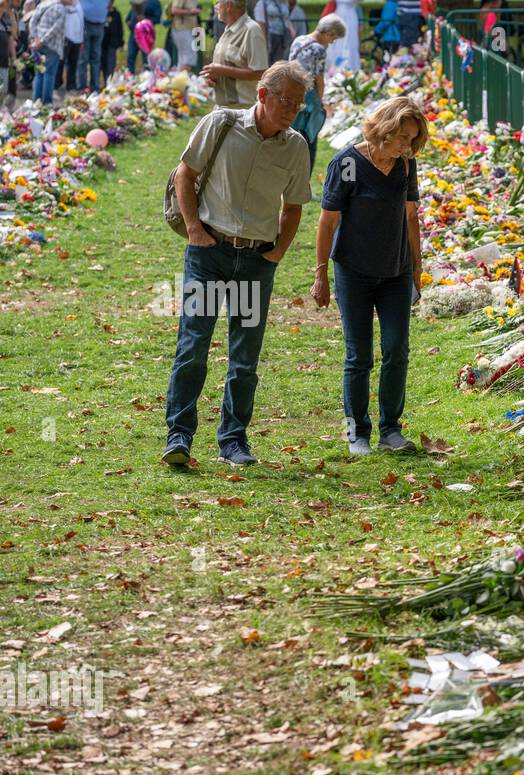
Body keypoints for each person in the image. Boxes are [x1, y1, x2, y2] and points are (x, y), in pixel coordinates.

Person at [163, 60, 313, 469]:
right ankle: (179, 435)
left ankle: (233, 440)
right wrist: (195, 229)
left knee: (244, 359)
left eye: (298, 105)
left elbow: (294, 206)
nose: (292, 110)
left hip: (255, 260)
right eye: (286, 101)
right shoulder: (221, 123)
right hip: (209, 252)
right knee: (193, 347)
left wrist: (275, 254)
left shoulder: (296, 146)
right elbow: (185, 173)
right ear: (262, 95)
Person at [313, 96, 427, 456]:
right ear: (385, 129)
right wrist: (320, 275)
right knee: (358, 355)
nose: (407, 146)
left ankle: (390, 429)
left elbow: (411, 217)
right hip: (354, 271)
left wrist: (416, 270)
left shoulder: (406, 165)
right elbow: (327, 221)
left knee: (397, 349)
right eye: (403, 137)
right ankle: (356, 431)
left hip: (395, 271)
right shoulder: (346, 164)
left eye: (412, 139)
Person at [288, 12, 344, 172]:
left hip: (292, 92)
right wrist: (320, 102)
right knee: (309, 138)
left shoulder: (299, 40)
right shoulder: (319, 49)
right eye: (333, 38)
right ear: (328, 33)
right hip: (309, 96)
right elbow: (319, 79)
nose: (332, 42)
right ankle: (304, 177)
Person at [201, 0, 265, 108]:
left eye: (218, 2)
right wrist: (213, 77)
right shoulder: (228, 30)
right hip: (223, 109)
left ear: (229, 5)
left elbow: (260, 73)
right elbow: (227, 67)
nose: (216, 6)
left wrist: (223, 71)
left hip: (241, 111)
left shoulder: (251, 30)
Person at [28, 0, 68, 103]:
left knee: (39, 74)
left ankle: (35, 103)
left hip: (37, 46)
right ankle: (46, 103)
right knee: (49, 75)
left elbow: (32, 22)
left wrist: (35, 38)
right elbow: (56, 28)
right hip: (52, 46)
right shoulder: (61, 9)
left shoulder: (42, 4)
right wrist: (42, 41)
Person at [76, 0, 106, 88]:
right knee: (83, 58)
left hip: (100, 24)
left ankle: (95, 86)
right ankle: (82, 86)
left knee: (96, 58)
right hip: (85, 23)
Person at [125, 0, 160, 71]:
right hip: (134, 34)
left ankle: (148, 76)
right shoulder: (138, 1)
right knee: (130, 56)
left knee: (147, 58)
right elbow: (130, 16)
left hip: (146, 35)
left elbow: (157, 19)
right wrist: (129, 21)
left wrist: (145, 19)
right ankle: (130, 75)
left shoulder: (154, 2)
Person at [325, 0, 357, 71]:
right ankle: (335, 68)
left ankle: (350, 67)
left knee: (350, 42)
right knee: (338, 41)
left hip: (350, 17)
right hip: (339, 15)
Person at [170, 0, 201, 70]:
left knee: (183, 59)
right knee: (189, 58)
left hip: (188, 30)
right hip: (181, 29)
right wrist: (190, 12)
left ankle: (178, 78)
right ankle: (182, 79)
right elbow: (174, 10)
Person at [58, 0, 79, 89]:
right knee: (60, 61)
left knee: (73, 63)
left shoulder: (77, 5)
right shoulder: (60, 7)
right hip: (64, 37)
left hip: (76, 37)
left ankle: (71, 85)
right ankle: (56, 84)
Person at [0, 0, 18, 106]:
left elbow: (11, 38)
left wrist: (14, 59)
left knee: (3, 89)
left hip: (4, 61)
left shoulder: (7, 18)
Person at [99, 0, 120, 76]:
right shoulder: (101, 13)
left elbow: (119, 29)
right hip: (101, 43)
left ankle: (109, 84)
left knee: (110, 65)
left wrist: (120, 43)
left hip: (112, 44)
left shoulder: (116, 14)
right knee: (101, 64)